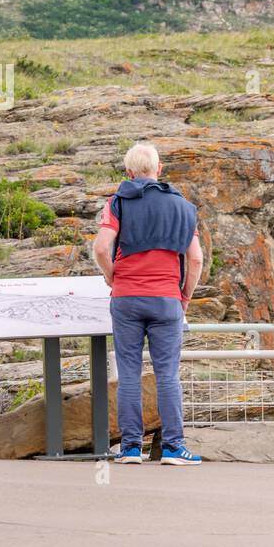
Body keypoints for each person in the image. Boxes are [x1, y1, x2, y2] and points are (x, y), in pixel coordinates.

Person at [92, 142, 204, 466]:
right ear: (160, 169)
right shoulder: (183, 206)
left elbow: (101, 249)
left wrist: (114, 278)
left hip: (126, 299)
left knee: (128, 373)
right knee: (167, 374)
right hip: (167, 299)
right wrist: (184, 296)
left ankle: (129, 449)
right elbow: (195, 260)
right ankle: (173, 447)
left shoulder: (117, 203)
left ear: (128, 173)